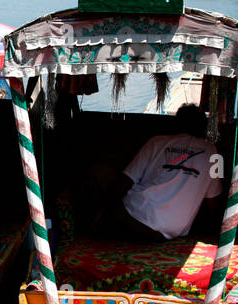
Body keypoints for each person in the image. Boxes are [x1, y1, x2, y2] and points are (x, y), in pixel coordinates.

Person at [93, 104, 223, 242]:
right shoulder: (213, 152)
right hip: (168, 232)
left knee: (98, 172)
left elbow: (126, 180)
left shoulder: (157, 142)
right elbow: (213, 201)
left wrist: (101, 212)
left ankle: (98, 225)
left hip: (134, 216)